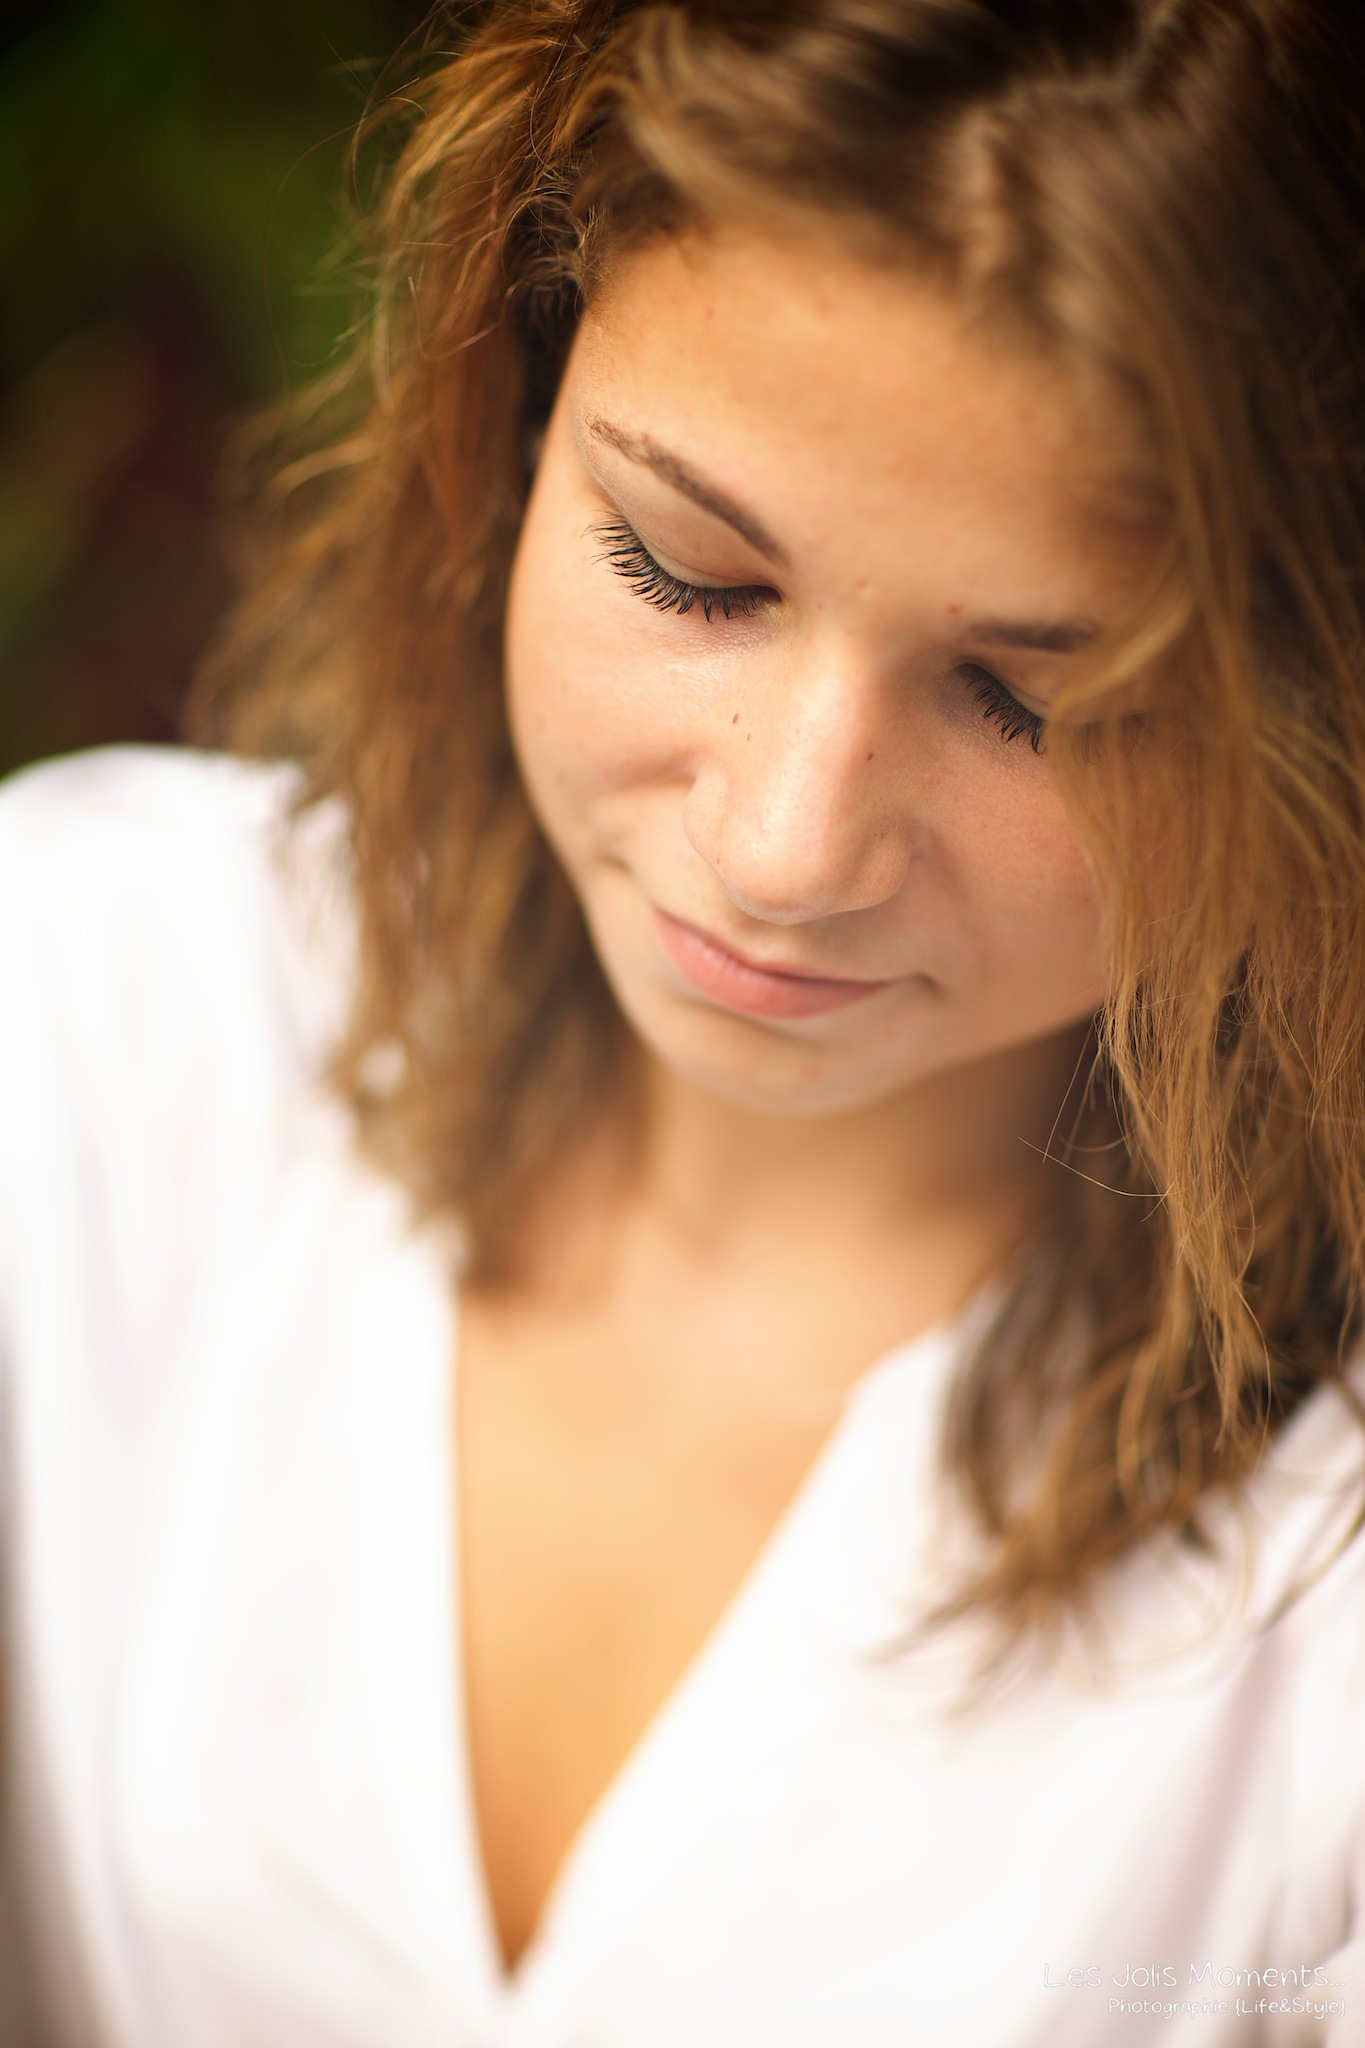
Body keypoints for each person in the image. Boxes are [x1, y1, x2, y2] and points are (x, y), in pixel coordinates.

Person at [2, 0, 1364, 2041]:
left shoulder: (1315, 1581)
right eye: (689, 574)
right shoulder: (95, 1002)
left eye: (1039, 703)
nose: (790, 843)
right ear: (518, 413)